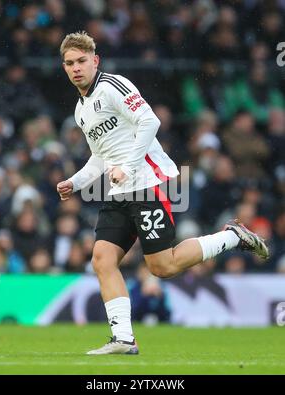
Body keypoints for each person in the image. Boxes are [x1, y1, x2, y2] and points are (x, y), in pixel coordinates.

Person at [57, 31, 269, 355]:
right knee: (102, 259)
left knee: (162, 267)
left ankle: (231, 237)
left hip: (147, 182)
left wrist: (127, 167)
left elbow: (150, 121)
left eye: (82, 61)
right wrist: (76, 181)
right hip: (119, 190)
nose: (76, 68)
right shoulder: (81, 110)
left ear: (95, 60)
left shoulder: (113, 86)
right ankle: (124, 339)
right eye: (69, 63)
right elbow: (101, 155)